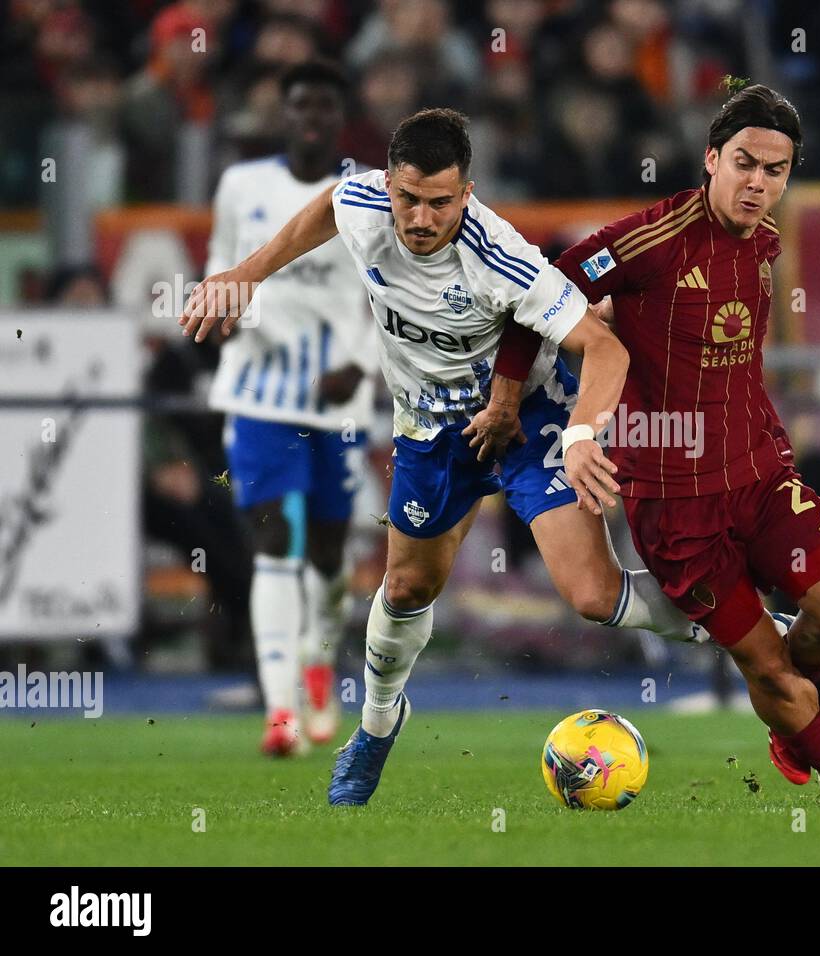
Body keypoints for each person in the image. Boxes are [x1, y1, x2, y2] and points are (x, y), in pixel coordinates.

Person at [182, 105, 706, 804]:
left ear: (467, 193)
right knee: (404, 589)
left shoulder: (503, 258)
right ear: (390, 185)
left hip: (527, 421)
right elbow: (325, 209)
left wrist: (580, 433)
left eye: (438, 203)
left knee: (592, 594)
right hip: (430, 430)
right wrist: (246, 274)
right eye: (408, 199)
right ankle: (374, 729)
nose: (420, 219)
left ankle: (759, 637)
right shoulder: (364, 201)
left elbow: (602, 346)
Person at [495, 81, 820, 805]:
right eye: (744, 163)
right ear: (711, 158)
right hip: (677, 508)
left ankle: (787, 715)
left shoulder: (767, 243)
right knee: (772, 668)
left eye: (775, 171)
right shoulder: (647, 241)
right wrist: (506, 399)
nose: (757, 183)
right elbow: (540, 301)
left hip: (761, 477)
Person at [203, 60, 376, 756]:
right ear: (283, 114)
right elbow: (220, 272)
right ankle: (279, 712)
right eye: (299, 104)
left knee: (330, 556)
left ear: (340, 116)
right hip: (258, 395)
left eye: (324, 106)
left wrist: (360, 363)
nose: (310, 117)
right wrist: (242, 322)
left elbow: (383, 290)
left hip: (339, 401)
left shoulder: (364, 195)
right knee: (275, 542)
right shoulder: (242, 187)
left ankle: (318, 660)